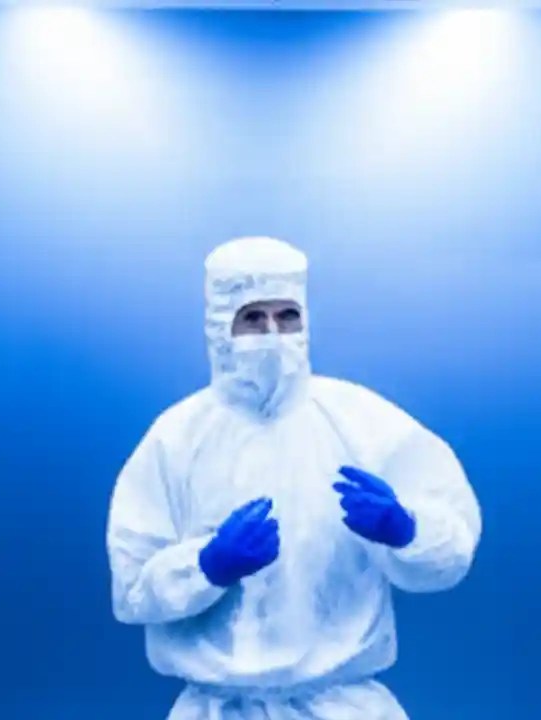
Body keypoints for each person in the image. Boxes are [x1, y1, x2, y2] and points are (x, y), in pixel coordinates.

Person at [106, 237, 482, 719]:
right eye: (252, 318)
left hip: (344, 706)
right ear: (220, 327)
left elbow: (452, 548)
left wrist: (406, 529)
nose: (272, 334)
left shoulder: (361, 423)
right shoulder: (176, 439)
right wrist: (206, 565)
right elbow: (132, 590)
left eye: (287, 317)